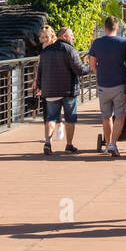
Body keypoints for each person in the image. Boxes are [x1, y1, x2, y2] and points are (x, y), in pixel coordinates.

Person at [36, 24, 89, 154]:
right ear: (64, 36)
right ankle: (69, 145)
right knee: (70, 118)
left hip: (50, 90)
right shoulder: (70, 50)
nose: (73, 38)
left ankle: (48, 142)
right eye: (72, 36)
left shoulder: (45, 51)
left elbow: (40, 70)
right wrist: (90, 67)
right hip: (68, 90)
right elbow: (80, 70)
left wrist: (39, 86)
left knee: (51, 117)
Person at [88, 15, 126, 156]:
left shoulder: (97, 43)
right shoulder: (124, 42)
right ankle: (113, 143)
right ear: (117, 27)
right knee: (120, 116)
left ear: (105, 27)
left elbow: (92, 63)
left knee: (106, 116)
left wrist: (99, 74)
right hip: (119, 84)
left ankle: (108, 145)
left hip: (103, 84)